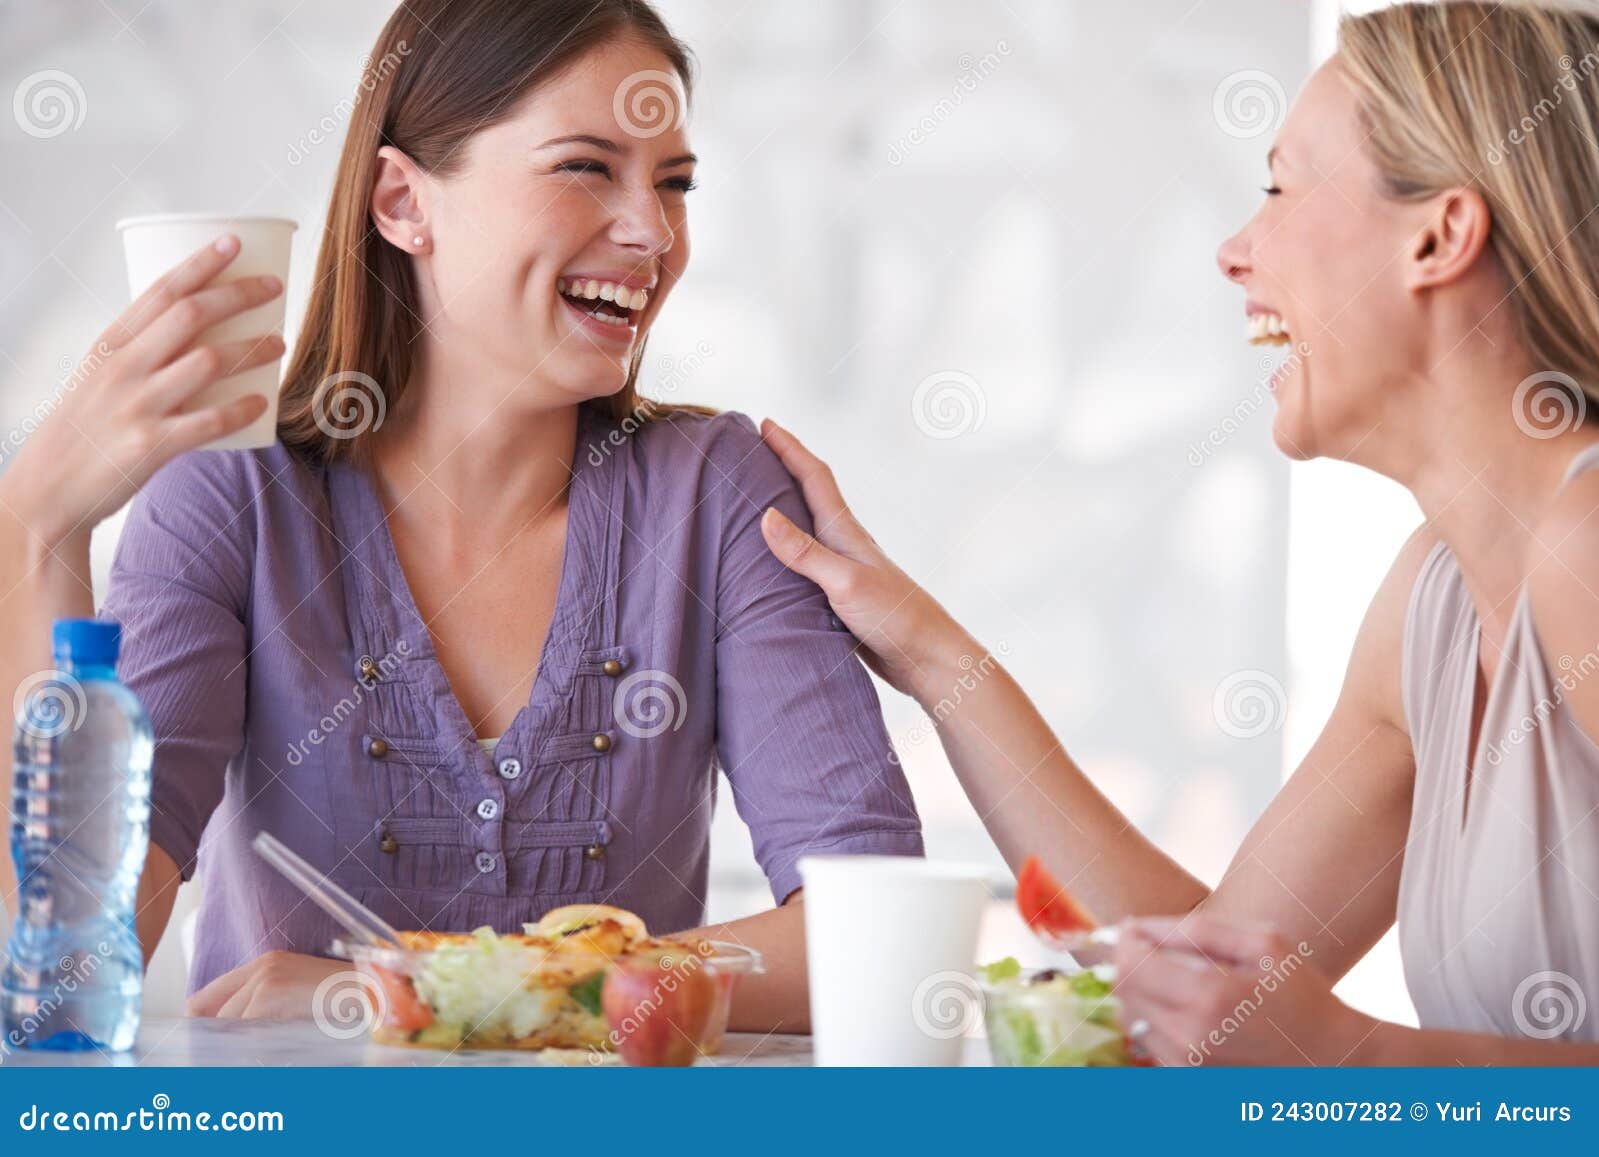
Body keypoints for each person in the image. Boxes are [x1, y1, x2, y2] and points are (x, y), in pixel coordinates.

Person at [0, 0, 923, 1031]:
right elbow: (60, 976)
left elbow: (871, 932)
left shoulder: (714, 493)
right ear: (403, 201)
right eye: (586, 167)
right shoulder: (236, 501)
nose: (652, 233)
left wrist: (432, 991)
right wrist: (36, 531)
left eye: (673, 183)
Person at [759, 0, 1599, 1064]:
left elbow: (1294, 1037)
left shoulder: (1587, 545)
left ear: (1437, 236)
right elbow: (1212, 973)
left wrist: (1358, 1057)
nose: (1233, 251)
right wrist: (928, 650)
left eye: (1281, 186)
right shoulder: (1433, 594)